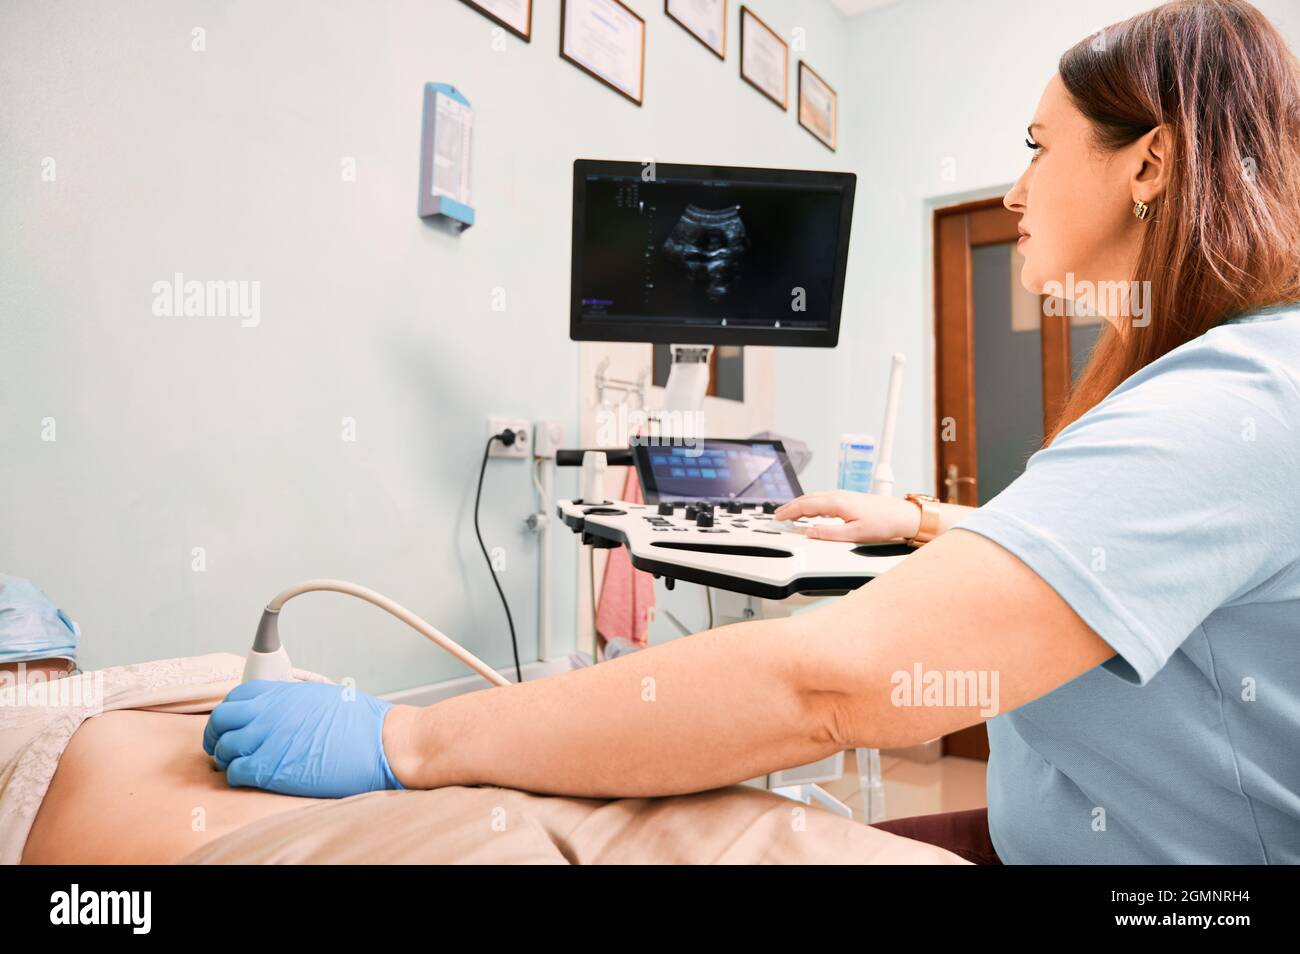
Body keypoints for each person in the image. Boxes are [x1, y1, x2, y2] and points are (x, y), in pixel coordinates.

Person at [203, 0, 1300, 864]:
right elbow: (1134, 553)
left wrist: (409, 740)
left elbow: (823, 685)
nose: (1015, 192)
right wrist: (923, 519)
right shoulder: (1232, 376)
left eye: (1036, 149)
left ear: (1148, 164)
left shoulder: (1230, 406)